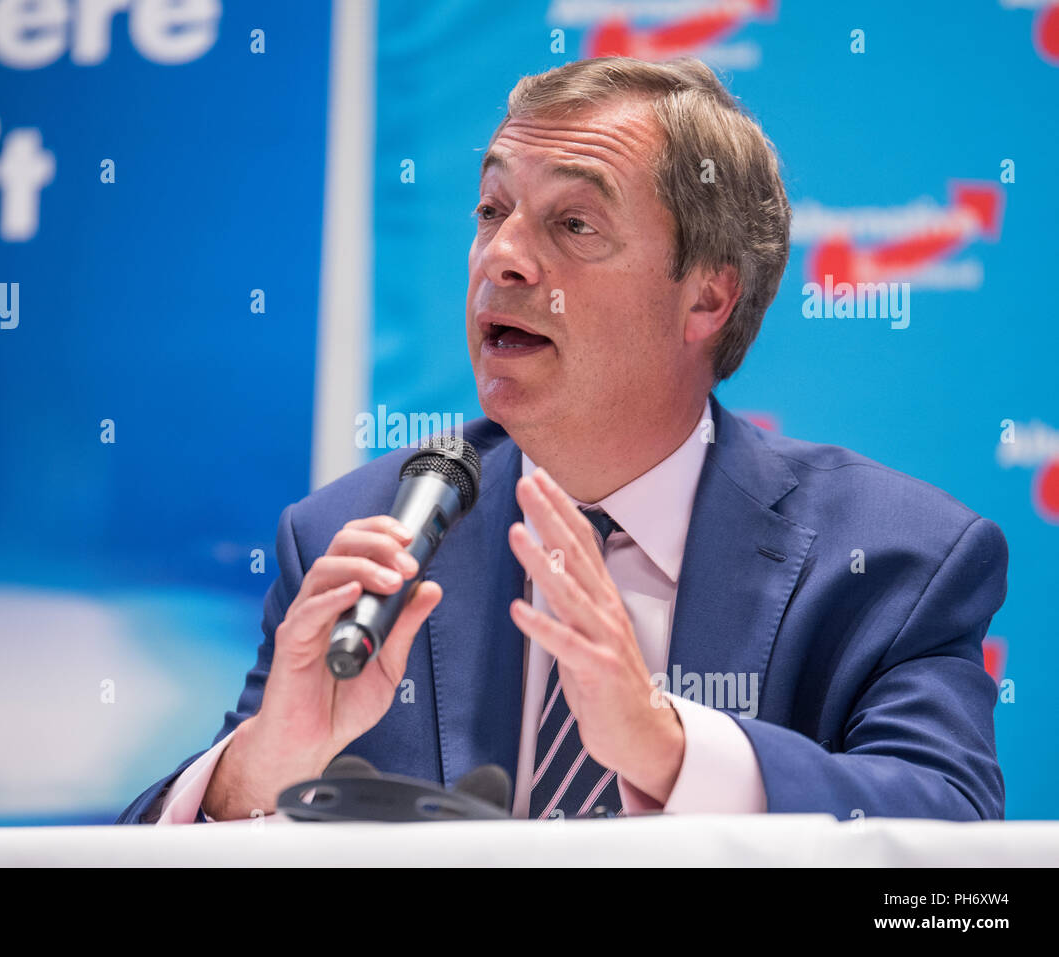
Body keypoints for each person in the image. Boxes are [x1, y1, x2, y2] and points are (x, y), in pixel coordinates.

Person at [118, 56, 1007, 825]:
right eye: (492, 209)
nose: (502, 257)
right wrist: (260, 769)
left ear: (707, 297)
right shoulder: (356, 538)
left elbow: (954, 867)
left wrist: (671, 750)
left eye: (573, 224)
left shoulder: (890, 559)